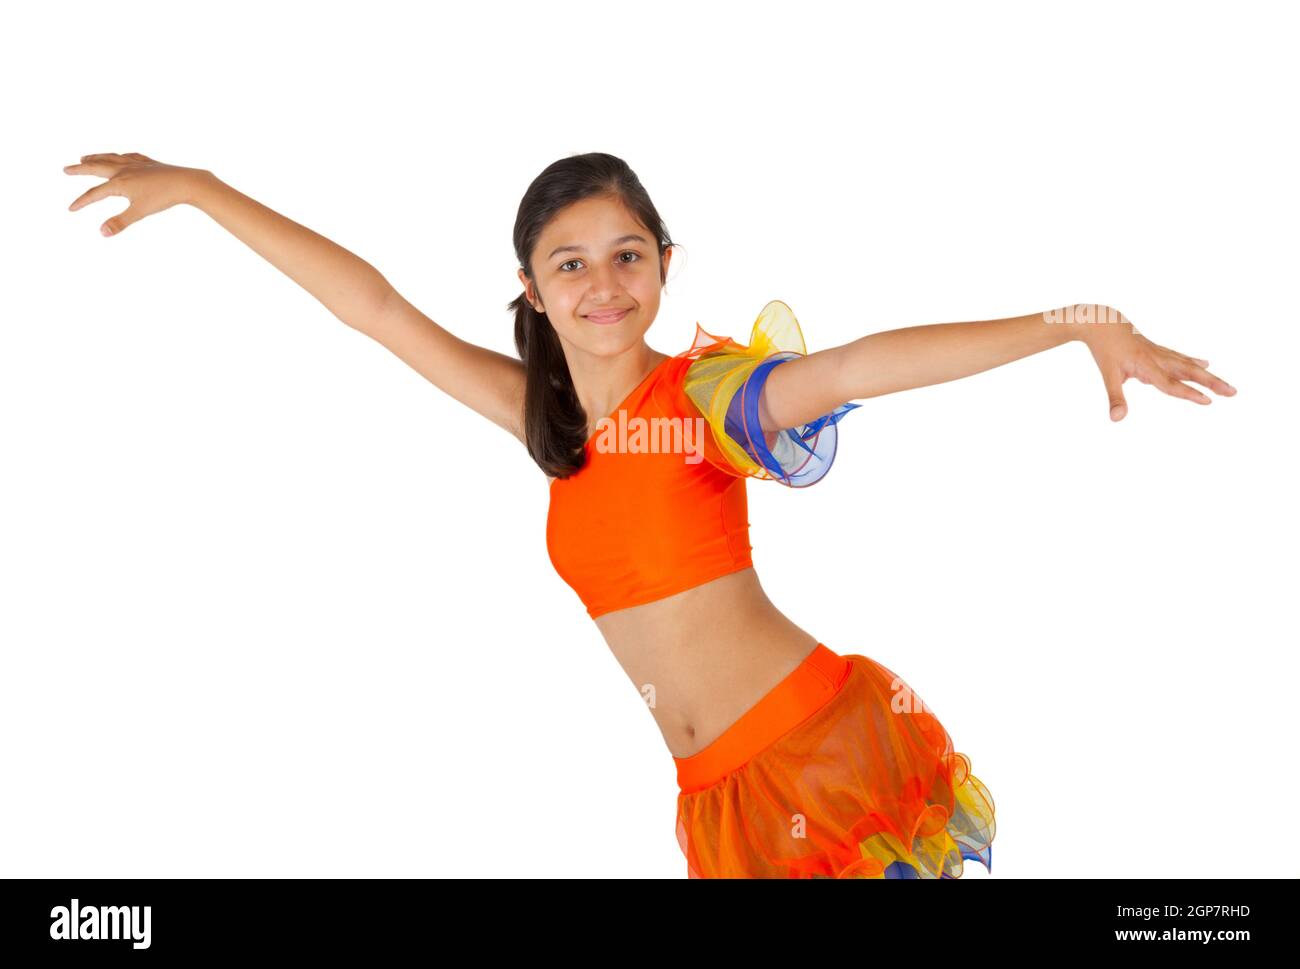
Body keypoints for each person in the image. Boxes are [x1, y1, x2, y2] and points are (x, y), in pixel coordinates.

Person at [64, 150, 1237, 878]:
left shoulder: (707, 400)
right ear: (531, 288)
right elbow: (373, 308)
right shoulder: (548, 430)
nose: (604, 284)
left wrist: (1073, 320)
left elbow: (860, 368)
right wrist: (204, 191)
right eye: (568, 264)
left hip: (813, 759)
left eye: (627, 254)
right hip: (711, 797)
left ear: (666, 267)